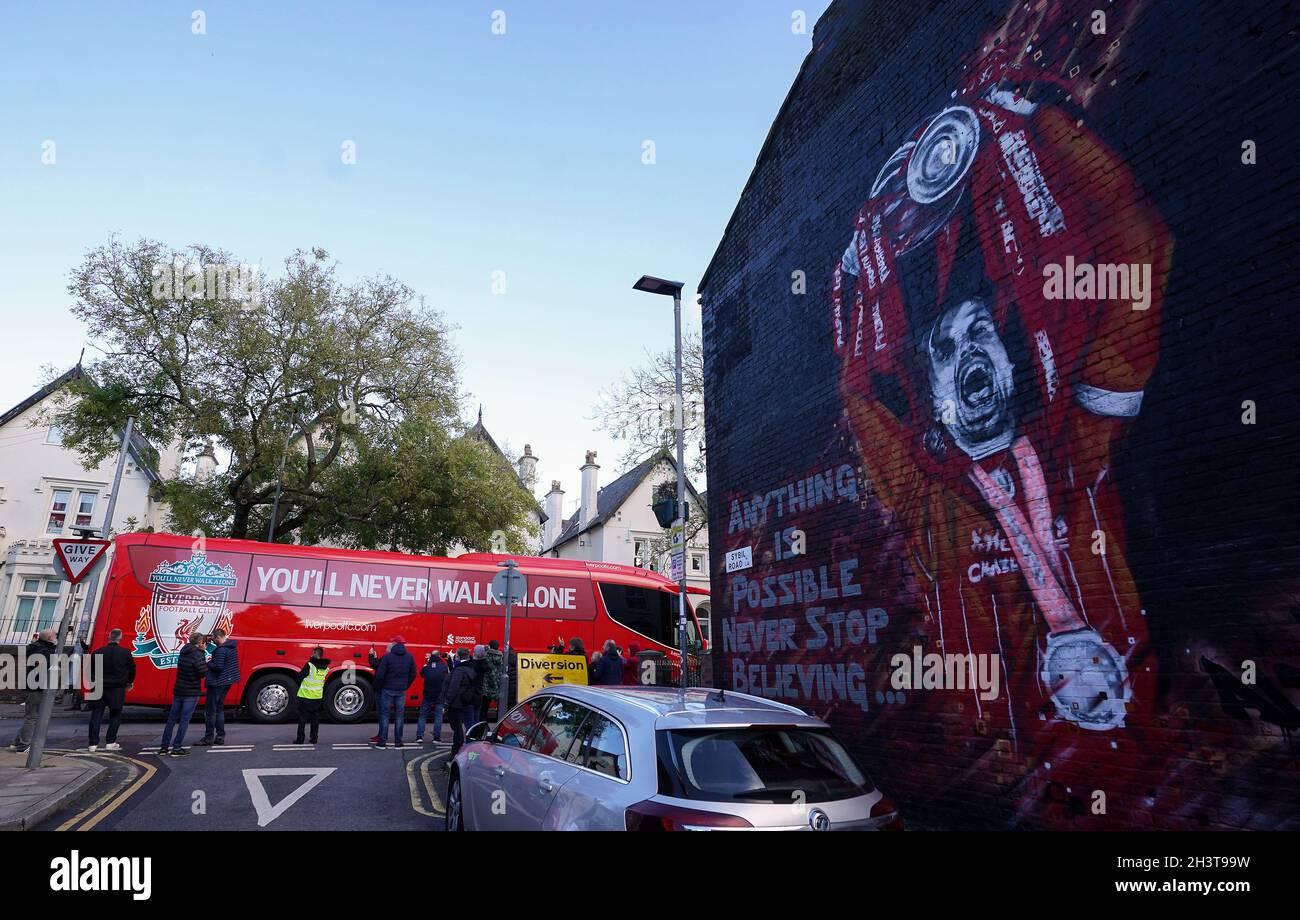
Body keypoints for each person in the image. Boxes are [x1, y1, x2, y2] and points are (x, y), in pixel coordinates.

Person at [7, 628, 56, 753]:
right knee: (32, 717)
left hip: (34, 686)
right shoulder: (42, 650)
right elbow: (44, 666)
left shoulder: (40, 646)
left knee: (32, 717)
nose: (56, 637)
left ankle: (16, 742)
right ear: (50, 638)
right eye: (54, 636)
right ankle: (23, 745)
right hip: (35, 687)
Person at [159, 632, 207, 757]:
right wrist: (203, 653)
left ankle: (164, 747)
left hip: (179, 690)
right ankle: (177, 747)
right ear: (200, 643)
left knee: (171, 719)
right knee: (184, 720)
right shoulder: (198, 655)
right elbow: (202, 672)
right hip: (191, 692)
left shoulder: (183, 651)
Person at [87, 628, 135, 752]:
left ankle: (93, 744)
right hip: (117, 688)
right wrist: (129, 682)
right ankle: (110, 741)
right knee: (115, 715)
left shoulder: (97, 652)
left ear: (109, 638)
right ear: (120, 638)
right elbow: (132, 669)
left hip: (98, 686)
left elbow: (89, 671)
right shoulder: (125, 653)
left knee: (96, 715)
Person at [196, 628, 239, 746]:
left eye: (214, 639)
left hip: (217, 683)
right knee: (219, 709)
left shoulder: (221, 650)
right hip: (226, 682)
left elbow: (218, 667)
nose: (213, 641)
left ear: (218, 637)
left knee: (210, 711)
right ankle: (220, 736)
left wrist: (208, 661)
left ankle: (208, 737)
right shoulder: (231, 646)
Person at [372, 635, 416, 748]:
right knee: (399, 716)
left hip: (387, 689)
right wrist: (406, 685)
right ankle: (398, 742)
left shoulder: (388, 657)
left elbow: (380, 675)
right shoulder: (409, 657)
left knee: (384, 715)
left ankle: (382, 742)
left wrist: (380, 687)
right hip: (401, 690)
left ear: (394, 645)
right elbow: (413, 674)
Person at [444, 648, 483, 759]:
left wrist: (446, 703)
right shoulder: (472, 668)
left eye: (456, 655)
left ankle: (457, 750)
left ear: (459, 657)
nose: (454, 657)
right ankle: (471, 753)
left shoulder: (459, 671)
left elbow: (453, 687)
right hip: (469, 701)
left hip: (457, 703)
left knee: (457, 728)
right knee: (470, 727)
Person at [293, 647, 330, 745]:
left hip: (305, 696)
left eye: (312, 653)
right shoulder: (326, 668)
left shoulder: (309, 665)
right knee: (315, 719)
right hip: (317, 697)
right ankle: (314, 739)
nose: (311, 654)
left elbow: (299, 677)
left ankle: (300, 739)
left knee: (302, 719)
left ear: (316, 654)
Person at [415, 651, 449, 744]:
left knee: (422, 716)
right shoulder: (443, 666)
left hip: (427, 694)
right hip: (439, 696)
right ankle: (436, 738)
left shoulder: (427, 667)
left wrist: (427, 663)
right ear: (439, 656)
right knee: (438, 717)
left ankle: (419, 736)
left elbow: (421, 674)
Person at [480, 639, 504, 724]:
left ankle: (482, 727)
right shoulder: (502, 657)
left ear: (489, 646)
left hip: (486, 687)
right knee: (500, 709)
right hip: (497, 686)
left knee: (483, 709)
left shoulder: (486, 656)